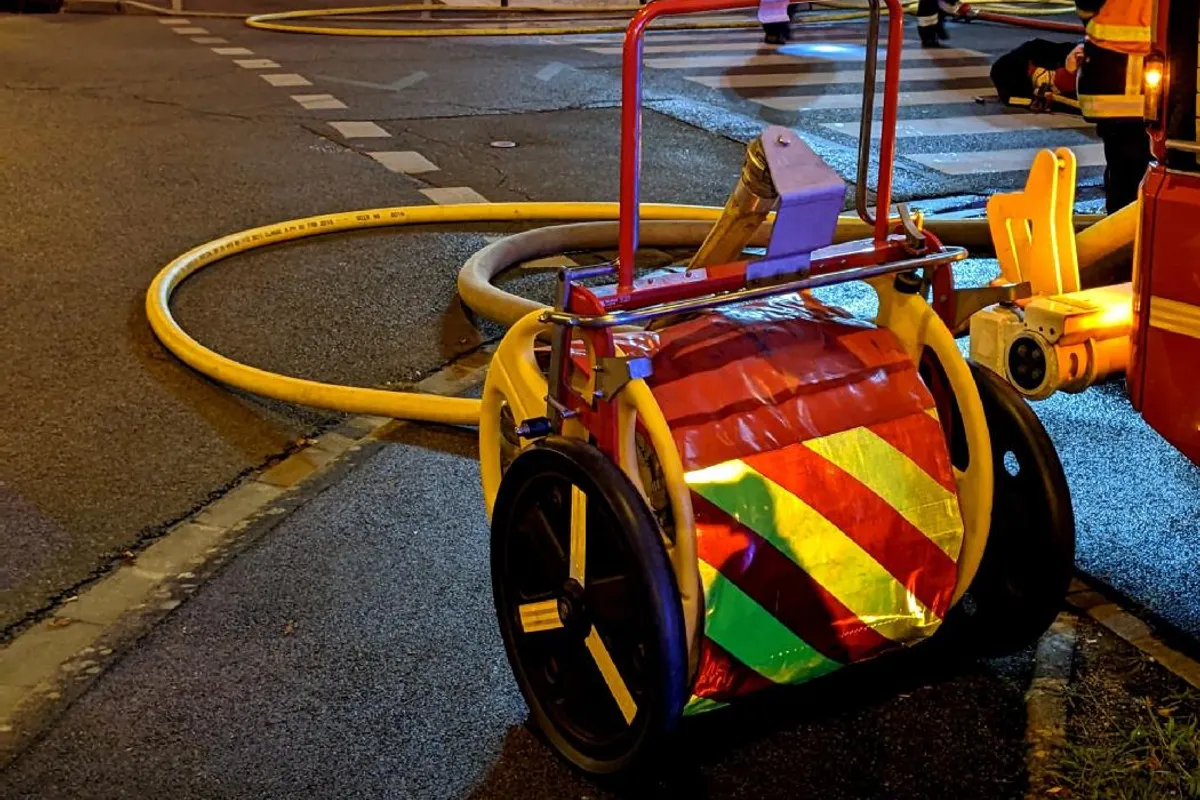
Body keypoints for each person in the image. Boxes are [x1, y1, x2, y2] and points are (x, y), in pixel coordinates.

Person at [1074, 0, 1153, 212]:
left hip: (1110, 66)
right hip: (1162, 61)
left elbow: (1085, 4)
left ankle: (1122, 233)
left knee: (1123, 166)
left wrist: (1095, 21)